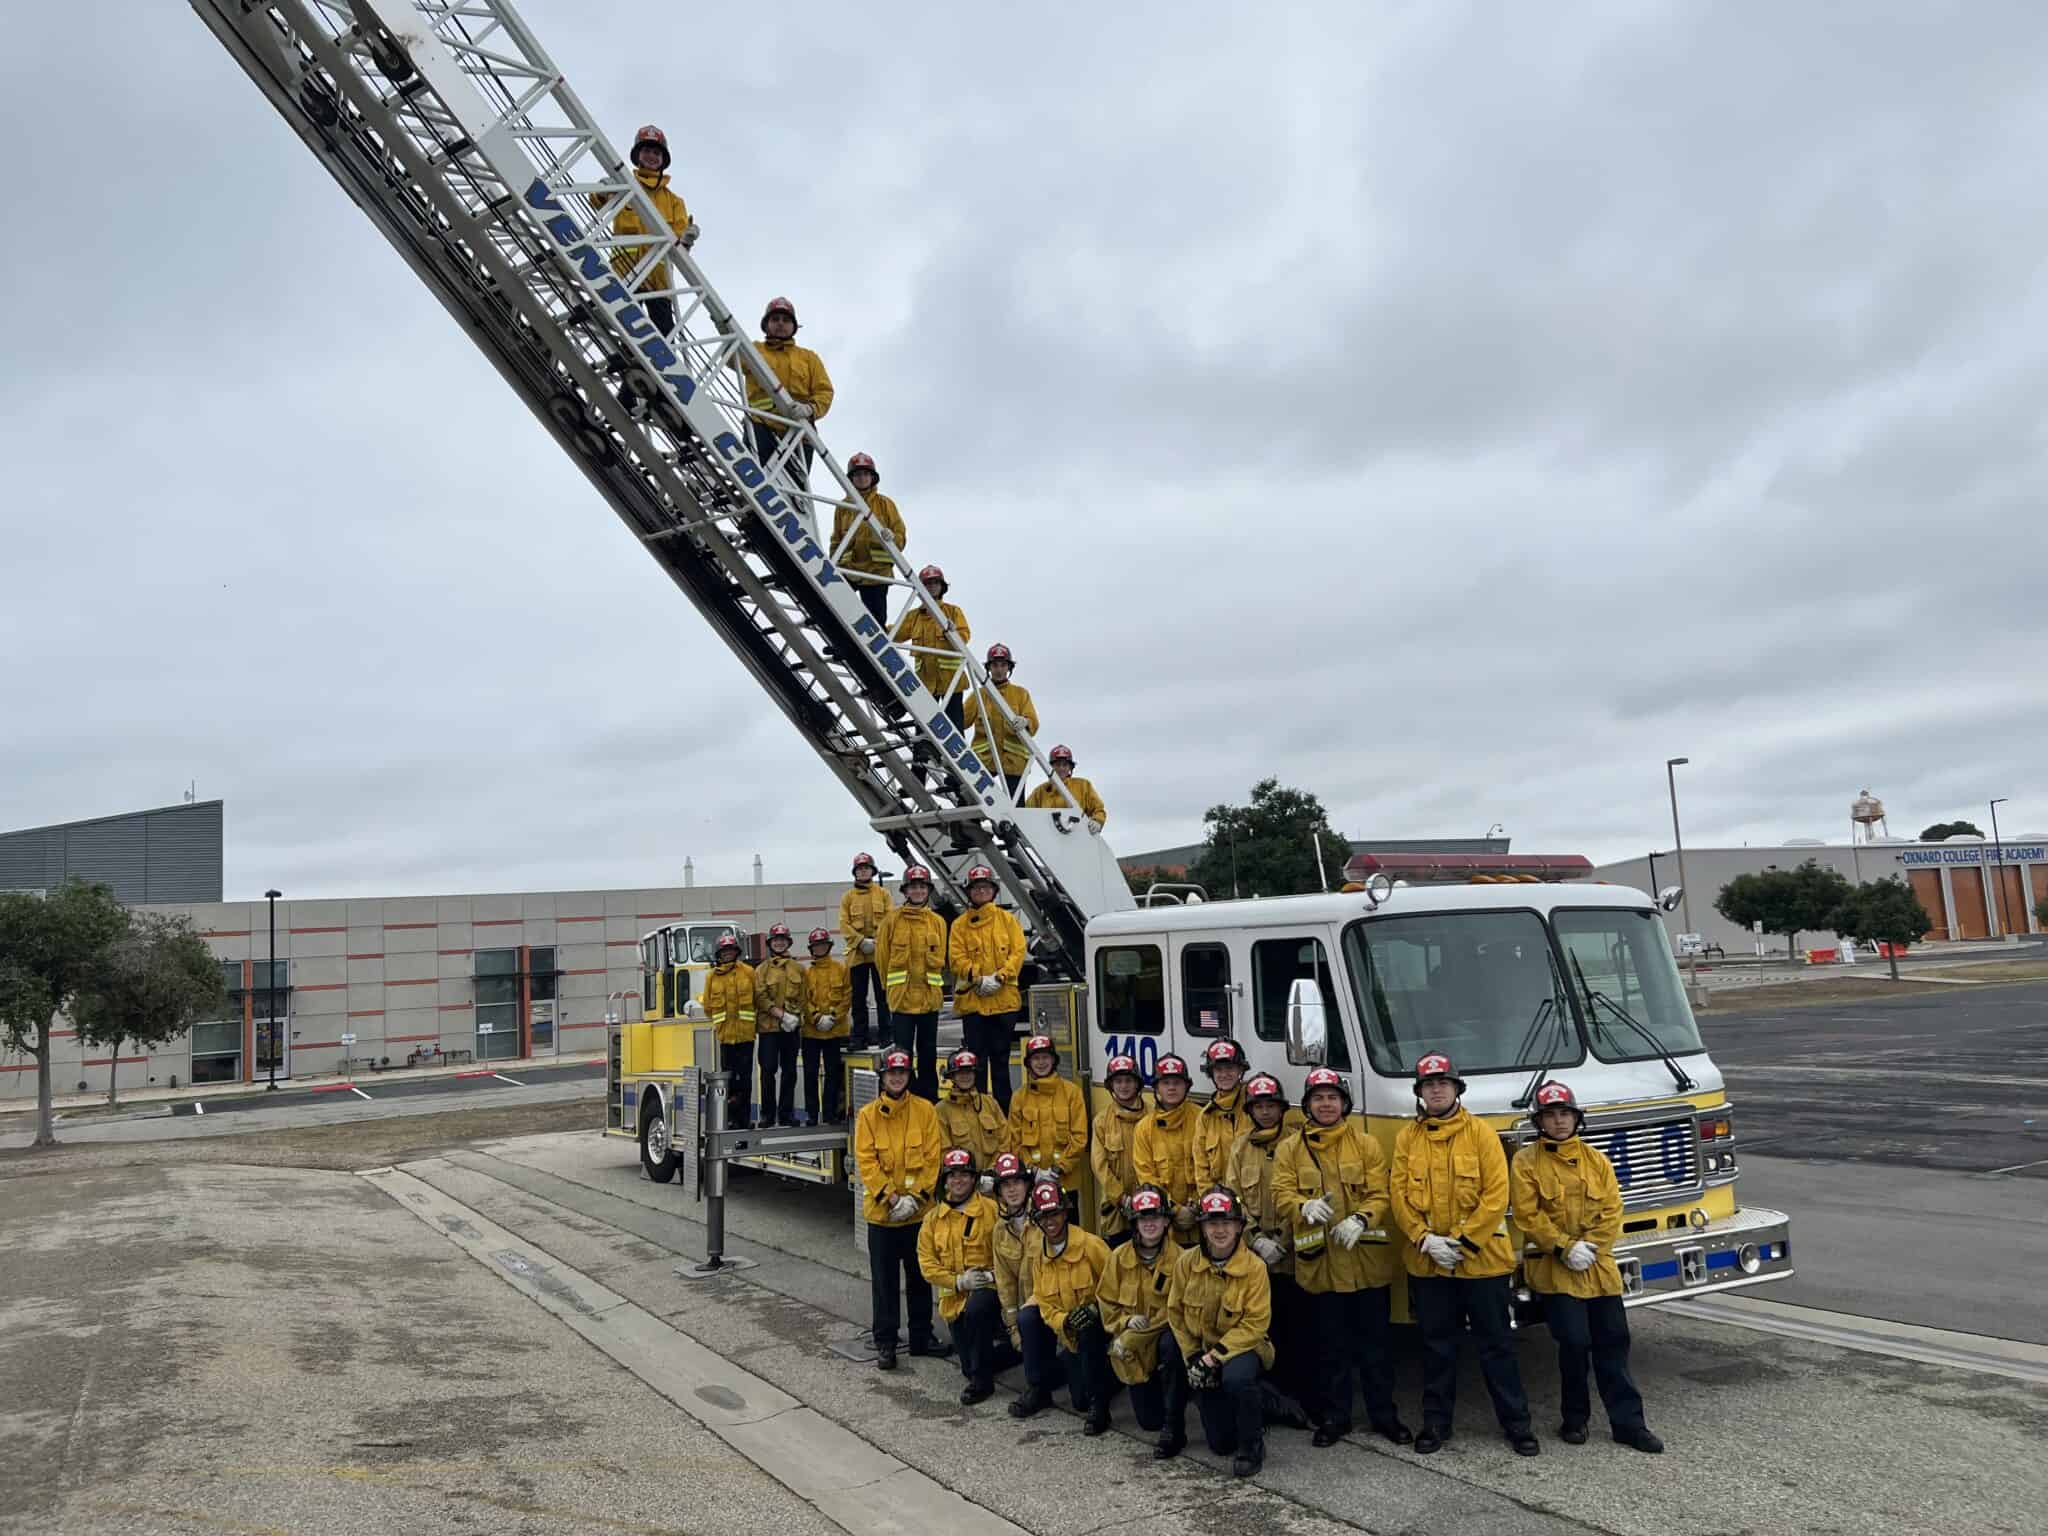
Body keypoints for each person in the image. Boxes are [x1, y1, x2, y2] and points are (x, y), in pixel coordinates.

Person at [1391, 1052, 1536, 1457]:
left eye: (1443, 1083)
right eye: (1428, 1085)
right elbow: (1399, 1196)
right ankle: (1436, 1425)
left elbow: (1495, 1195)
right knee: (1437, 1348)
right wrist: (1425, 1239)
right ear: (1420, 1093)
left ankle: (1518, 1426)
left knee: (1498, 1347)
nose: (1436, 1089)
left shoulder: (1481, 1134)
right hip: (1429, 1262)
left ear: (1456, 1089)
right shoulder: (1407, 1138)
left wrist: (1463, 1242)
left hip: (1482, 1262)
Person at [1510, 1081, 1663, 1454]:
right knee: (1574, 1344)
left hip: (1599, 1267)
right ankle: (1574, 1419)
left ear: (1577, 1119)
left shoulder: (1598, 1161)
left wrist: (1590, 1247)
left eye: (1565, 1114)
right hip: (1555, 1269)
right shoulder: (1526, 1162)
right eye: (1550, 1115)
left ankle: (1629, 1424)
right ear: (1539, 1122)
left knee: (1613, 1343)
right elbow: (1529, 1216)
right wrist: (1564, 1247)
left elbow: (1612, 1210)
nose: (1559, 1122)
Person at [1272, 1066, 1410, 1448]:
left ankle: (1385, 1416)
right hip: (1322, 1269)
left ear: (1345, 1103)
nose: (1326, 1104)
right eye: (1319, 1098)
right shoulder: (1290, 1149)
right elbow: (1281, 1192)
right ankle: (1336, 1417)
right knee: (1330, 1350)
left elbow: (1381, 1192)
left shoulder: (1365, 1144)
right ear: (1308, 1105)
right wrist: (1303, 1206)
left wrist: (1362, 1218)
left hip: (1366, 1267)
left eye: (1333, 1097)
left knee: (1376, 1350)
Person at [1160, 1186, 1273, 1476]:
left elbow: (1254, 1325)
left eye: (1226, 1223)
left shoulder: (1255, 1269)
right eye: (1212, 1223)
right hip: (1200, 1349)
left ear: (1238, 1227)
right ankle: (1173, 1428)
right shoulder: (1186, 1263)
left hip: (1240, 1349)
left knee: (1238, 1378)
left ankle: (1252, 1445)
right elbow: (1175, 1313)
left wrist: (1212, 1359)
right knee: (1221, 1444)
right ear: (1202, 1227)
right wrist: (1193, 1356)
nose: (1219, 1230)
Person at [854, 1048, 946, 1371]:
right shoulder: (867, 1116)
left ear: (909, 1076)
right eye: (892, 1073)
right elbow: (867, 1162)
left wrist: (916, 1200)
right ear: (883, 1077)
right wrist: (893, 1199)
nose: (896, 1078)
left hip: (918, 1213)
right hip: (883, 1216)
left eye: (902, 1073)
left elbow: (934, 1158)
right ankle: (886, 1343)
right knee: (885, 1283)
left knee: (921, 1278)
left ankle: (922, 1337)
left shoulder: (925, 1111)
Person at [1227, 1072, 1314, 1413]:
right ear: (1250, 1110)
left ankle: (1302, 1399)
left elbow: (1303, 1195)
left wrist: (1285, 1241)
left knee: (1300, 1332)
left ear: (1281, 1108)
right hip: (1255, 1259)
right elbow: (1234, 1200)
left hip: (1294, 1258)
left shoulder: (1298, 1142)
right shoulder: (1239, 1148)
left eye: (1271, 1105)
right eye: (1258, 1106)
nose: (1265, 1112)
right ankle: (1269, 1400)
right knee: (1265, 1331)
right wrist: (1255, 1239)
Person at [1010, 1182, 1114, 1432]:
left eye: (1054, 1213)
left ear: (1065, 1212)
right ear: (1036, 1220)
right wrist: (1064, 1321)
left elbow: (1117, 1289)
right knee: (1028, 1317)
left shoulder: (1092, 1246)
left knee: (1081, 1401)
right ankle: (1039, 1388)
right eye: (1043, 1216)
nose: (1050, 1221)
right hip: (1068, 1330)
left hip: (1098, 1331)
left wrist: (1096, 1310)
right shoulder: (1040, 1257)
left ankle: (1100, 1404)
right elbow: (1044, 1304)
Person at [590, 125, 695, 339]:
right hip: (624, 271)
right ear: (638, 155)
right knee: (621, 326)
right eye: (647, 150)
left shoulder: (675, 202)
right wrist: (602, 190)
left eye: (656, 152)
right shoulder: (624, 182)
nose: (652, 156)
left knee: (665, 337)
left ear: (663, 160)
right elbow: (597, 203)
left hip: (659, 281)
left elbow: (679, 240)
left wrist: (687, 239)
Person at [917, 1147, 1004, 1405]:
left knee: (978, 1310)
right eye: (952, 1175)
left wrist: (991, 1277)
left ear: (974, 1179)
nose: (958, 1181)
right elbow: (927, 1264)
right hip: (954, 1297)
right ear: (945, 1180)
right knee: (969, 1364)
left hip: (989, 1290)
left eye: (964, 1175)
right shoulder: (933, 1219)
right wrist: (957, 1281)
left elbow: (1011, 1252)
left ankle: (982, 1384)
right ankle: (1007, 1354)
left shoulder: (992, 1211)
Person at [1099, 1183, 1176, 1432]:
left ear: (1166, 1221)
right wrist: (1125, 1322)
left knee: (1171, 1345)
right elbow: (1106, 1301)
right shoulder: (1118, 1257)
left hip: (1161, 1345)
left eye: (1155, 1216)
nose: (1149, 1223)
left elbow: (1182, 1311)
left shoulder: (1183, 1260)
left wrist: (1137, 1335)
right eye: (1143, 1217)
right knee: (1150, 1423)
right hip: (1135, 1356)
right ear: (1134, 1222)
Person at [947, 865, 1025, 1110]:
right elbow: (956, 958)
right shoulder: (959, 925)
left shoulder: (1008, 921)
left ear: (993, 891)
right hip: (974, 1004)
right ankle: (977, 1112)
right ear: (969, 892)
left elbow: (1018, 952)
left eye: (985, 887)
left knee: (1001, 1061)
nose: (981, 891)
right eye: (976, 888)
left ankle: (1003, 1111)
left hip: (1004, 1002)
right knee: (976, 1062)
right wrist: (979, 979)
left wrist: (1000, 978)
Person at [745, 296, 833, 495]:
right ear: (766, 325)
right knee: (752, 489)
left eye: (785, 320)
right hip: (761, 428)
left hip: (799, 437)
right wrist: (724, 331)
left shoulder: (809, 358)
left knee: (791, 501)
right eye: (775, 319)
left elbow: (824, 391)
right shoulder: (754, 349)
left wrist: (810, 409)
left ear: (794, 326)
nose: (780, 324)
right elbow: (731, 360)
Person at [875, 864, 946, 1100]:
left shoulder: (938, 922)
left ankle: (929, 1101)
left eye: (922, 887)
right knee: (902, 1055)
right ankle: (906, 1100)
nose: (918, 891)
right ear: (905, 891)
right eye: (913, 887)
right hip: (902, 1001)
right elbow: (882, 960)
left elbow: (941, 959)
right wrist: (891, 991)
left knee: (928, 1054)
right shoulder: (891, 921)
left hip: (929, 1000)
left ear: (928, 890)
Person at [686, 932, 756, 1130]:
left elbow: (757, 999)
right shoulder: (711, 978)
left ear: (736, 952)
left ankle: (744, 1119)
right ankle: (732, 1119)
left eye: (731, 950)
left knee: (746, 1081)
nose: (728, 954)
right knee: (729, 1081)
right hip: (726, 1037)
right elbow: (708, 1005)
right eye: (724, 951)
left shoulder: (749, 972)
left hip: (745, 1036)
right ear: (719, 954)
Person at [891, 565, 971, 729]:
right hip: (925, 682)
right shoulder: (914, 616)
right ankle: (922, 755)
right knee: (924, 727)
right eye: (927, 583)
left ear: (942, 586)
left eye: (935, 582)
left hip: (952, 682)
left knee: (954, 728)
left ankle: (952, 756)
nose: (932, 586)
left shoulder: (953, 612)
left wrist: (953, 633)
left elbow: (964, 637)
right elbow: (895, 633)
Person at [1133, 1054, 1201, 1248]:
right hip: (1164, 1222)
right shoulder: (1144, 1128)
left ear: (1187, 1086)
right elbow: (1145, 1175)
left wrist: (1196, 1207)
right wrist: (1174, 1210)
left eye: (1178, 1082)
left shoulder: (1202, 1120)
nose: (1172, 1088)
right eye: (1166, 1082)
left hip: (1202, 1219)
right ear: (1156, 1088)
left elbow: (1209, 1168)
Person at [1005, 1034, 1088, 1189]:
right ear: (1029, 1063)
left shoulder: (1072, 1092)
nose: (1041, 1063)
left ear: (1053, 1060)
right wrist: (1033, 1170)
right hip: (1031, 1181)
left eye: (1045, 1057)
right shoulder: (1019, 1097)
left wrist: (1059, 1169)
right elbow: (1014, 1141)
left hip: (1065, 1181)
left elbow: (1080, 1137)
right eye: (1036, 1058)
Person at [833, 453, 906, 626]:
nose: (862, 478)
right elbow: (836, 539)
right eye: (857, 474)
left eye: (866, 474)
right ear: (851, 479)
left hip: (876, 573)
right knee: (837, 612)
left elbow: (901, 535)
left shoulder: (885, 504)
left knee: (875, 623)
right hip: (849, 570)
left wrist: (892, 538)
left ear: (872, 477)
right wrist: (833, 563)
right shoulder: (843, 507)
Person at [960, 644, 1040, 799]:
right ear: (989, 668)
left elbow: (1034, 723)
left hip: (1013, 762)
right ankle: (970, 823)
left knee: (1015, 806)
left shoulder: (1020, 694)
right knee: (971, 798)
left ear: (1009, 668)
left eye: (1003, 665)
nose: (999, 669)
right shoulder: (980, 694)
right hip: (984, 760)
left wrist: (1026, 721)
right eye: (995, 665)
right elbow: (961, 721)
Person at [988, 1152, 1043, 1377]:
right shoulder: (1000, 1231)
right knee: (980, 1365)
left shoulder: (1045, 1219)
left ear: (1027, 1185)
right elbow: (1005, 1283)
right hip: (1023, 1317)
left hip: (1047, 1308)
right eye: (1005, 1185)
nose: (1012, 1190)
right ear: (999, 1192)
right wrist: (1012, 1329)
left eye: (1017, 1182)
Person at [1090, 1054, 1150, 1247]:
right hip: (1115, 1210)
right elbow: (1099, 1166)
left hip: (1149, 1207)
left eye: (1128, 1080)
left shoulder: (1153, 1116)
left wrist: (1145, 1196)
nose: (1123, 1086)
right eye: (1118, 1081)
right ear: (1111, 1086)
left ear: (1137, 1084)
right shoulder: (1101, 1121)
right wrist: (1121, 1198)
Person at [753, 923, 804, 1127]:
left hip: (791, 1029)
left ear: (788, 942)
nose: (780, 942)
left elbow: (804, 997)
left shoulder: (799, 968)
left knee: (790, 1071)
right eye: (776, 940)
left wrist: (795, 1018)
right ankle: (767, 1114)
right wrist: (781, 1015)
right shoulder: (761, 970)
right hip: (769, 1029)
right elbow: (760, 996)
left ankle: (786, 1114)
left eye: (783, 939)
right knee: (768, 1071)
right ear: (770, 944)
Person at [839, 852, 891, 1051]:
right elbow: (844, 924)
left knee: (883, 996)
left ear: (872, 870)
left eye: (866, 868)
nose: (863, 871)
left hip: (879, 953)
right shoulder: (848, 897)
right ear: (855, 873)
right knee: (858, 998)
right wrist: (861, 941)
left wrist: (878, 942)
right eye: (859, 869)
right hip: (857, 954)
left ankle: (887, 1035)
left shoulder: (883, 894)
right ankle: (858, 1038)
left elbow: (889, 921)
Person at [800, 927, 851, 1125]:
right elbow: (803, 999)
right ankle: (812, 1115)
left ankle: (829, 1114)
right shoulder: (806, 973)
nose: (819, 948)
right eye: (816, 946)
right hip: (811, 1032)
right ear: (812, 949)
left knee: (832, 1074)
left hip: (834, 1031)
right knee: (810, 1074)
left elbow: (847, 996)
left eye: (822, 945)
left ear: (828, 946)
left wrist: (833, 1017)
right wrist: (816, 1018)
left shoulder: (841, 969)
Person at [1192, 1038, 1252, 1191]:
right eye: (1218, 1070)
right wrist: (1210, 1199)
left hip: (1254, 1200)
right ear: (1211, 1074)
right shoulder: (1205, 1117)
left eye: (1230, 1068)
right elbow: (1201, 1167)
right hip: (1221, 1203)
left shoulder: (1255, 1105)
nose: (1224, 1074)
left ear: (1240, 1071)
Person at [936, 1049, 1006, 1173]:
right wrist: (964, 1177)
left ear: (975, 1074)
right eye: (960, 1073)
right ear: (952, 1076)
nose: (965, 1076)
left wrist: (993, 1170)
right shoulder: (941, 1110)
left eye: (969, 1072)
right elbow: (943, 1152)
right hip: (960, 1180)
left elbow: (1005, 1140)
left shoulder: (990, 1103)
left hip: (992, 1177)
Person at [1023, 744, 1106, 832]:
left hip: (1078, 837)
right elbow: (1027, 813)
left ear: (1070, 767)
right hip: (1048, 839)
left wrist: (1097, 821)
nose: (1061, 768)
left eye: (1065, 765)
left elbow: (1098, 809)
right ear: (1050, 767)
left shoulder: (1083, 786)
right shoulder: (1040, 791)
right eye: (1057, 765)